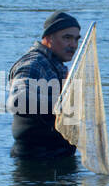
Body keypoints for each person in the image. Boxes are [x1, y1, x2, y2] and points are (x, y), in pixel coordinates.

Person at [8, 11, 80, 160]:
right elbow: (17, 101)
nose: (73, 45)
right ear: (49, 38)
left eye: (76, 39)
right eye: (67, 38)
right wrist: (64, 104)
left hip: (57, 159)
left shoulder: (55, 64)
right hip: (35, 163)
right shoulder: (34, 63)